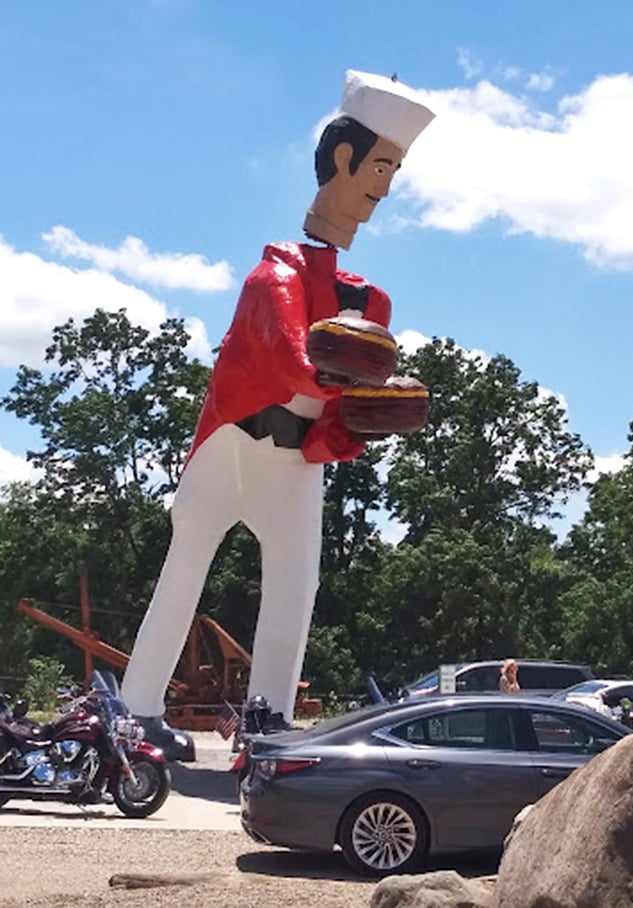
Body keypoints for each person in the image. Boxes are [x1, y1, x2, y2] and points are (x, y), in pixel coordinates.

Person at [120, 70, 436, 759]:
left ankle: (266, 724)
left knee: (296, 587)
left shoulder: (369, 303)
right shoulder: (274, 278)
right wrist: (353, 389)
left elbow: (335, 416)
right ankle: (134, 713)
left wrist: (362, 423)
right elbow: (289, 363)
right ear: (343, 160)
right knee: (185, 570)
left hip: (294, 462)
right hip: (232, 446)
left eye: (394, 171)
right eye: (380, 165)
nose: (383, 187)